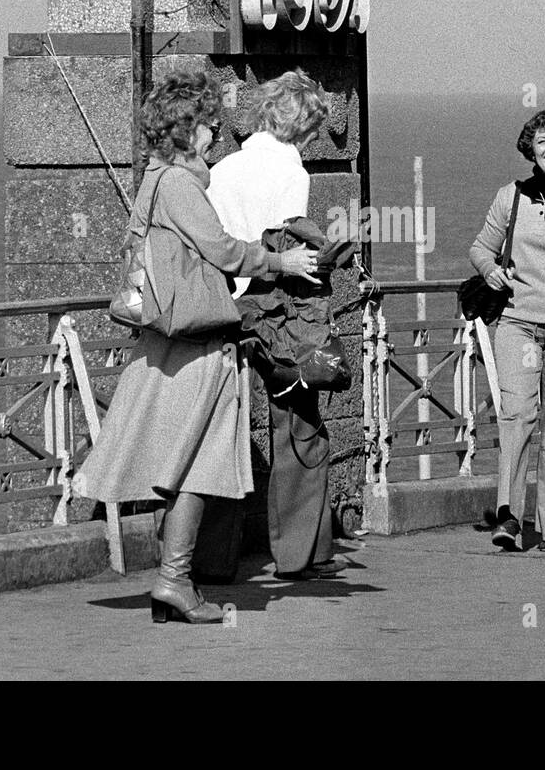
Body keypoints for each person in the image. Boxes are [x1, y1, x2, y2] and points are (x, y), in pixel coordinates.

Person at [76, 71, 320, 623]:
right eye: (211, 125)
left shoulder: (156, 179)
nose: (217, 135)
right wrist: (281, 261)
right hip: (199, 344)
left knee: (189, 462)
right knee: (199, 463)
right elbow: (225, 252)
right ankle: (173, 581)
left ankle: (175, 581)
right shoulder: (182, 186)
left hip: (167, 342)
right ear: (190, 132)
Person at [207, 69, 346, 580]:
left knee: (222, 428)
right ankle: (298, 553)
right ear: (306, 127)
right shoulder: (293, 174)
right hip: (278, 311)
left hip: (225, 306)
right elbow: (288, 247)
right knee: (298, 427)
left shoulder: (223, 167)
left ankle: (213, 556)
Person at [470, 109, 545, 551]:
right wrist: (491, 270)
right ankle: (510, 518)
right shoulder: (511, 197)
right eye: (543, 143)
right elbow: (481, 247)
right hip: (517, 322)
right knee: (517, 417)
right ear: (530, 151)